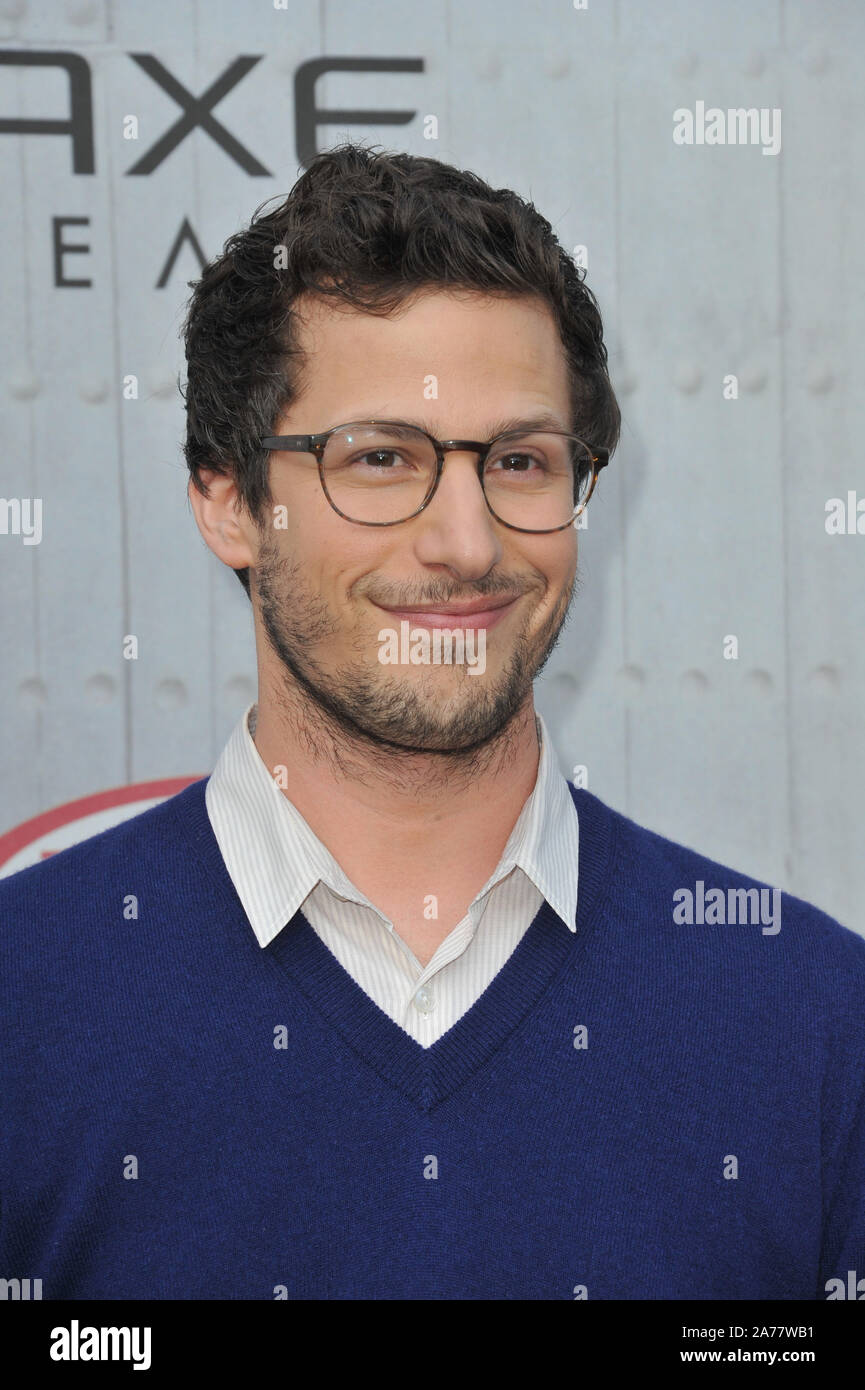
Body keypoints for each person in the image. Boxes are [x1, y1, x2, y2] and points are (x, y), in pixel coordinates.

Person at [1, 143, 862, 1301]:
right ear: (229, 501)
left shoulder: (809, 1019)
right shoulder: (27, 1001)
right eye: (379, 457)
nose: (466, 541)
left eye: (517, 460)